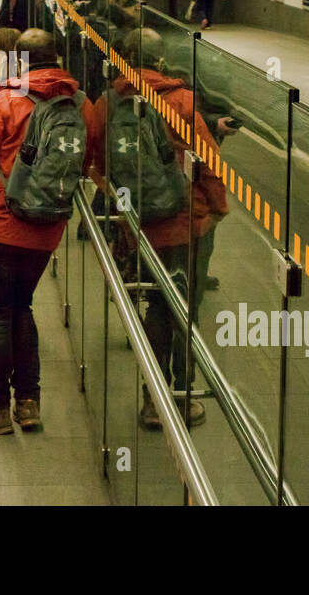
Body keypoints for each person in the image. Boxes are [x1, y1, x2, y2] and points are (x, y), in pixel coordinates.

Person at [85, 28, 228, 428]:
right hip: (184, 222)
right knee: (182, 309)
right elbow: (208, 164)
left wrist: (121, 201)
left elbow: (94, 164)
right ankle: (179, 395)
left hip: (139, 223)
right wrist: (215, 211)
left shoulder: (108, 103)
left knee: (155, 305)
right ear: (161, 63)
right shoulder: (181, 102)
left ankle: (153, 397)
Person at [0, 28, 92, 434]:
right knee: (22, 307)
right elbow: (87, 160)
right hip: (46, 227)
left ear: (21, 61)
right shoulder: (81, 103)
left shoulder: (6, 101)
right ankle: (28, 404)